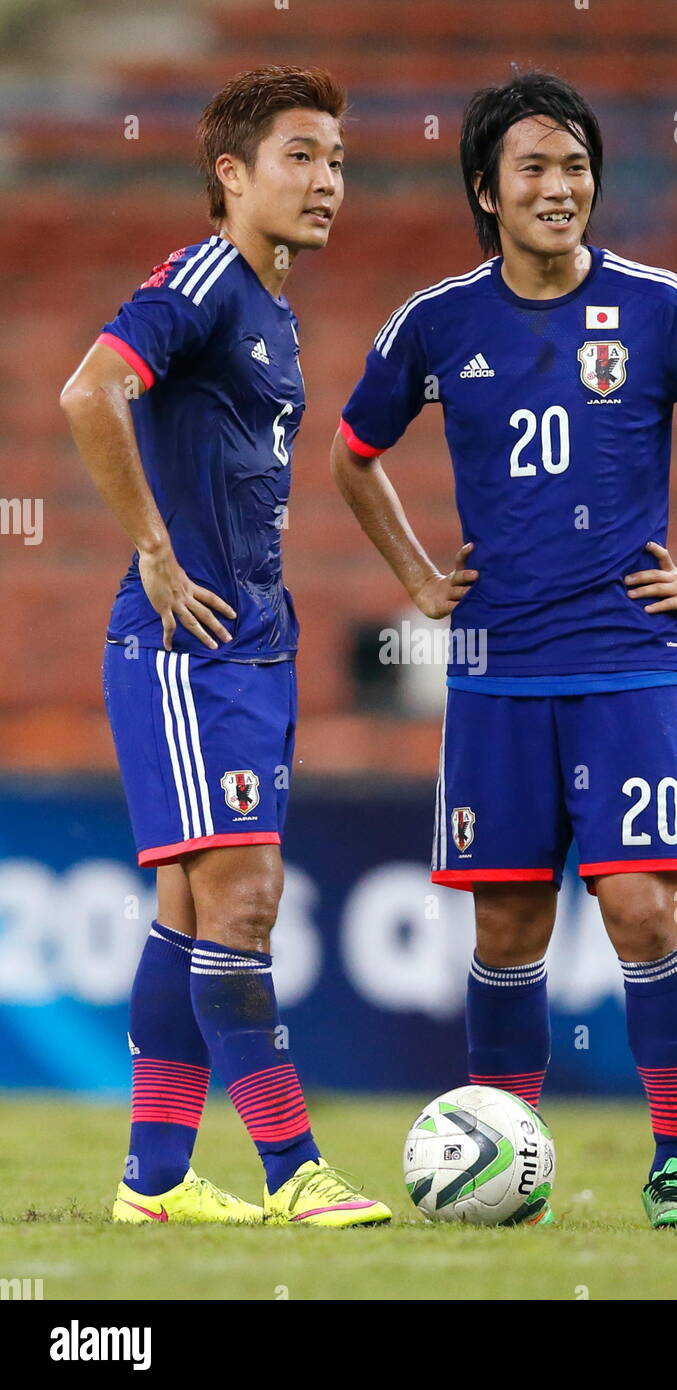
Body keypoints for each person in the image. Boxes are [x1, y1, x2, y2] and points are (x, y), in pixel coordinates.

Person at [331, 70, 677, 1228]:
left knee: (642, 910)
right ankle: (508, 1161)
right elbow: (353, 451)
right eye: (534, 169)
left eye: (576, 166)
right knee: (506, 927)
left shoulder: (660, 308)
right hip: (496, 676)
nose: (561, 187)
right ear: (486, 192)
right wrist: (412, 577)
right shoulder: (436, 322)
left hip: (628, 668)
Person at [60, 65, 390, 1228]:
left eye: (337, 161)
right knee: (244, 900)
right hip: (183, 645)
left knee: (195, 913)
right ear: (231, 175)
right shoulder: (200, 278)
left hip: (253, 642)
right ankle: (293, 1169)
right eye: (299, 156)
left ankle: (151, 1183)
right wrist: (153, 546)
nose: (326, 180)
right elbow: (90, 392)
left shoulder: (275, 309)